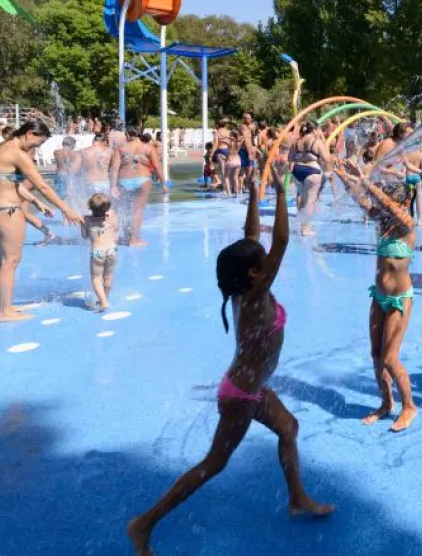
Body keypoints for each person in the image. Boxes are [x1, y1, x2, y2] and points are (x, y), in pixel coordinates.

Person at [126, 168, 332, 555]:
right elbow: (281, 240)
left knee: (288, 427)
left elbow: (252, 235)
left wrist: (254, 192)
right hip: (241, 395)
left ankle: (297, 497)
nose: (266, 257)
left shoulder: (246, 287)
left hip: (251, 387)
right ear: (256, 273)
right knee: (214, 464)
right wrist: (281, 192)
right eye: (262, 261)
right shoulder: (255, 296)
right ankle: (143, 524)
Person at [337, 161, 418, 432]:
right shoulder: (382, 222)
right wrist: (341, 175)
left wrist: (365, 181)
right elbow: (360, 199)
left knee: (390, 358)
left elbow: (387, 205)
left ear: (401, 203)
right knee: (376, 355)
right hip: (379, 297)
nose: (382, 208)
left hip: (399, 301)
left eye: (388, 203)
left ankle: (409, 406)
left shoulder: (408, 225)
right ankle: (386, 403)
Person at [0, 121, 81, 321]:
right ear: (29, 133)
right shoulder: (17, 153)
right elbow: (42, 185)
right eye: (38, 143)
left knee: (5, 261)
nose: (36, 147)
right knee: (10, 262)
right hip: (7, 211)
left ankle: (5, 306)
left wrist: (36, 202)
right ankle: (4, 312)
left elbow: (9, 183)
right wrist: (66, 209)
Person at [115, 131, 167, 246]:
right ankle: (133, 240)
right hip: (142, 179)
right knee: (138, 210)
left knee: (125, 209)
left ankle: (127, 236)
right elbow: (157, 166)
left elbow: (114, 168)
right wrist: (163, 183)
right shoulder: (148, 148)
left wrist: (113, 185)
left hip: (124, 180)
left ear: (129, 135)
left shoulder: (121, 148)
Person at [288, 122, 330, 237]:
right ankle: (306, 229)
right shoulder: (317, 142)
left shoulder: (296, 142)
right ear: (315, 130)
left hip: (296, 171)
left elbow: (290, 158)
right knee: (310, 201)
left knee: (302, 199)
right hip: (312, 171)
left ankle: (300, 225)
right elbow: (327, 159)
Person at [80, 193, 119, 311]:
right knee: (108, 277)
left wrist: (84, 225)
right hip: (112, 250)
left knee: (96, 278)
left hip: (97, 252)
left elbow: (84, 236)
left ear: (90, 208)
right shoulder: (112, 216)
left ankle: (103, 302)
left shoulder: (86, 220)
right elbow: (116, 229)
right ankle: (104, 298)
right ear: (107, 208)